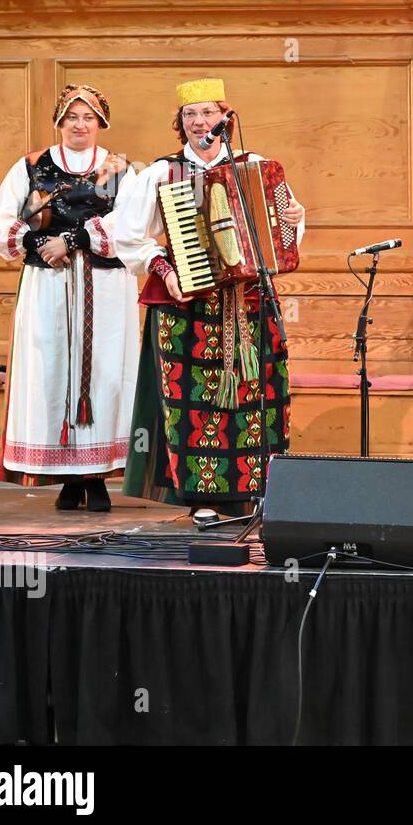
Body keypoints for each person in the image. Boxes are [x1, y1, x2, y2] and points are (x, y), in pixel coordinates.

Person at [114, 78, 305, 518]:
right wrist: (164, 268)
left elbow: (284, 232)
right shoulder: (162, 173)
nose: (199, 122)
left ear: (225, 118)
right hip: (188, 305)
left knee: (259, 392)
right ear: (180, 124)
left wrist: (294, 217)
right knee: (192, 400)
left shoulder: (254, 166)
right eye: (189, 115)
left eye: (207, 113)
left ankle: (255, 491)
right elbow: (127, 236)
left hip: (250, 302)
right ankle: (200, 498)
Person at [0, 85, 138, 512]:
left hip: (105, 289)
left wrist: (72, 240)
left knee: (105, 372)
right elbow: (1, 223)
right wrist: (42, 246)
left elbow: (132, 225)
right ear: (59, 122)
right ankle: (68, 476)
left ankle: (97, 474)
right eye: (71, 117)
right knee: (50, 368)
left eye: (88, 117)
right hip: (49, 284)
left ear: (100, 123)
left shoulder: (121, 169)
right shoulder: (31, 166)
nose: (79, 124)